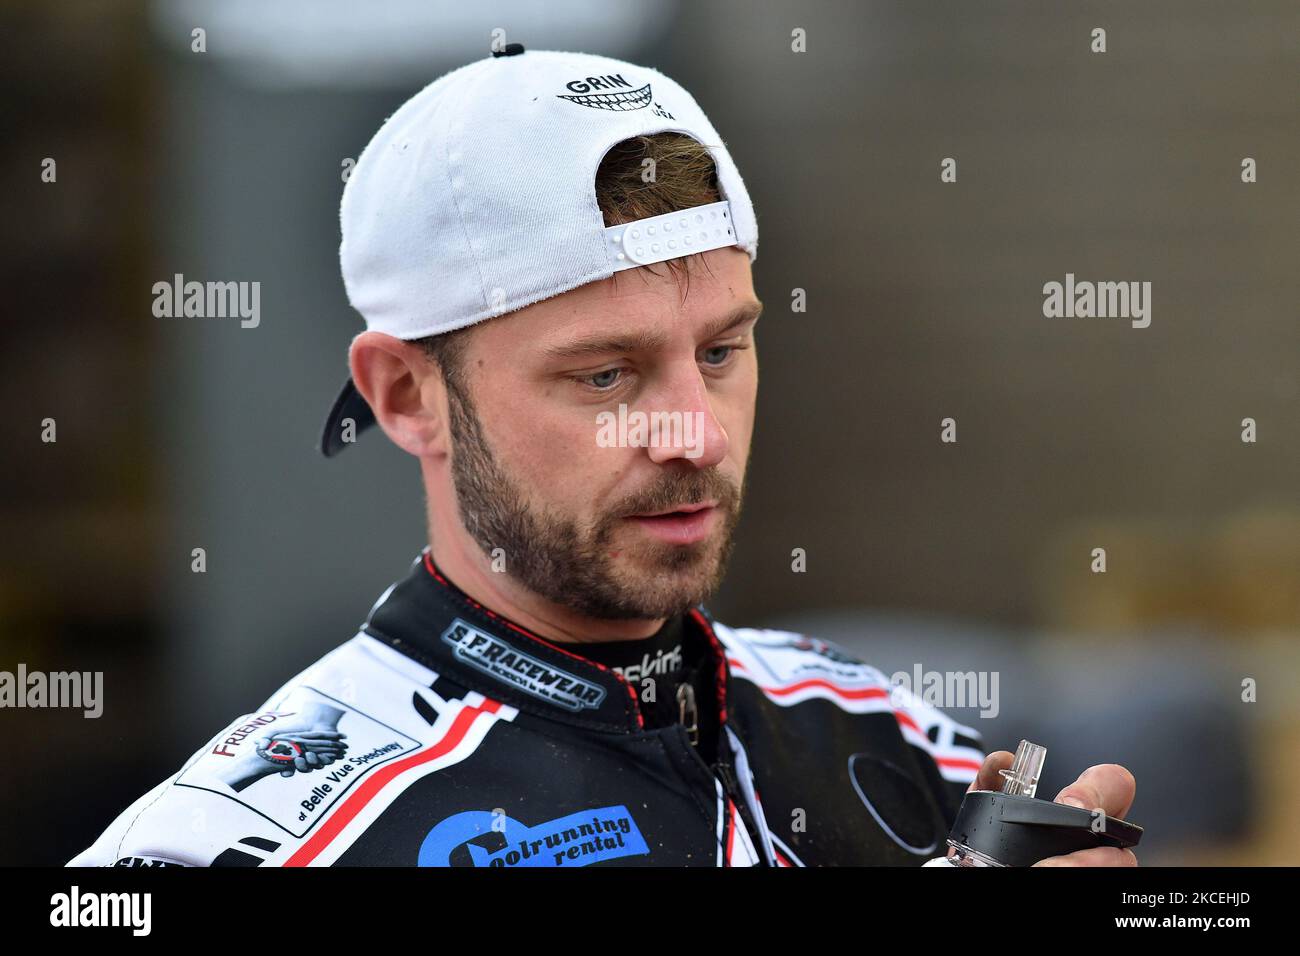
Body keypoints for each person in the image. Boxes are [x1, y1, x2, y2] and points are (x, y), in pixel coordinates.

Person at [69, 47, 1135, 868]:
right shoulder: (241, 841)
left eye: (720, 351)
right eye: (604, 376)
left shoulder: (878, 723)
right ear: (406, 394)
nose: (695, 434)